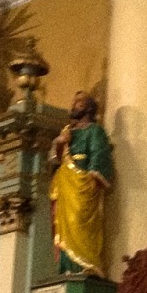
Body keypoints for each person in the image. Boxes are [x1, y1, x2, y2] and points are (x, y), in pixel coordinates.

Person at [49, 91, 114, 277]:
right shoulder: (67, 132)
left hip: (83, 184)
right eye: (74, 102)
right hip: (65, 183)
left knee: (79, 221)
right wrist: (60, 142)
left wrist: (93, 176)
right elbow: (55, 160)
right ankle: (68, 267)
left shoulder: (95, 131)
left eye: (79, 103)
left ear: (88, 108)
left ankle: (88, 264)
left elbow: (99, 153)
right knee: (64, 224)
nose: (73, 105)